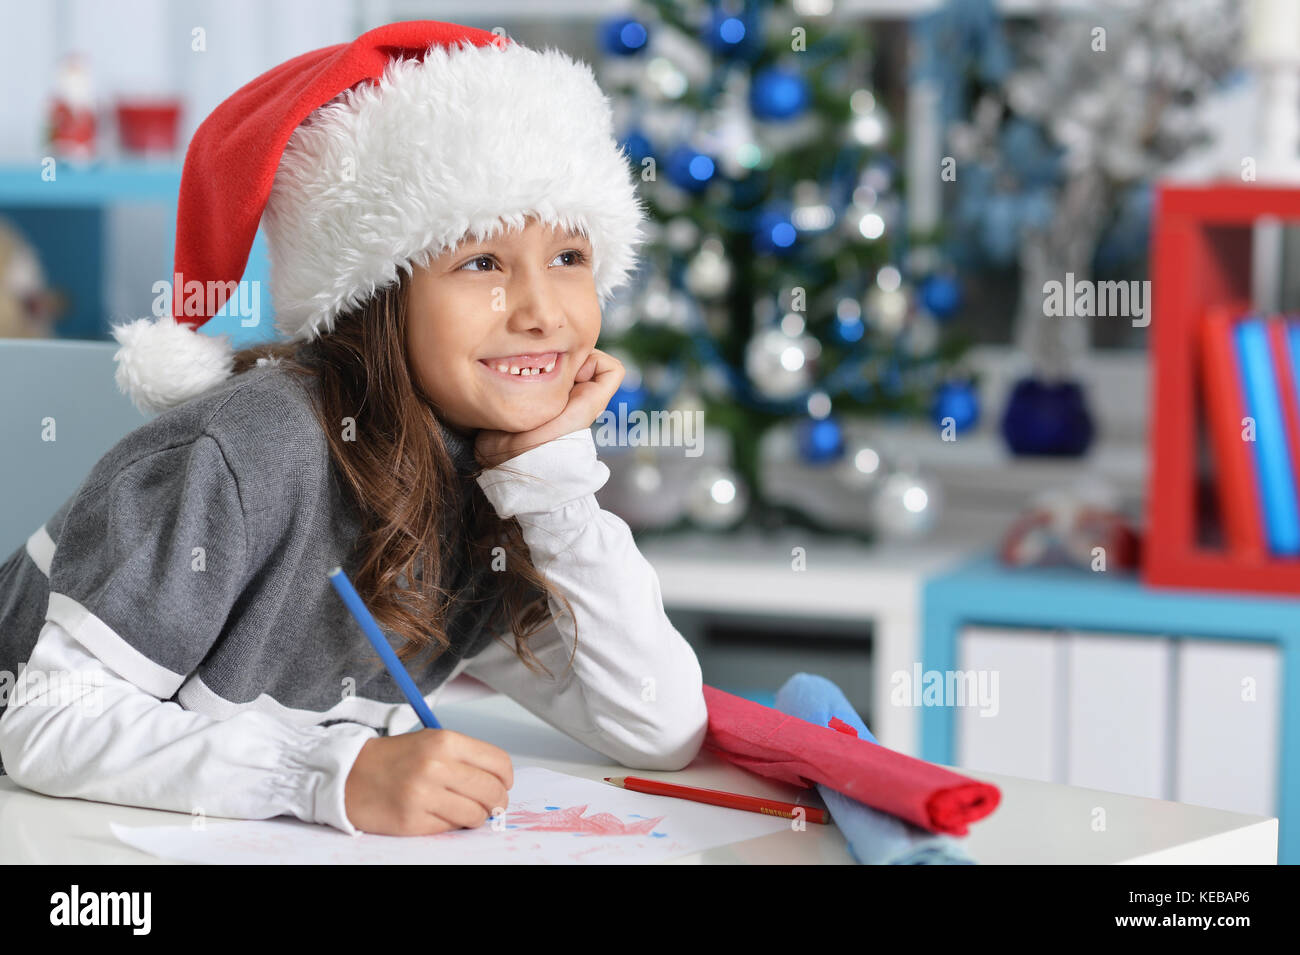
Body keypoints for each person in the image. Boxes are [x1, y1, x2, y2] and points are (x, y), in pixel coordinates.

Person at [0, 20, 708, 838]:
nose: (543, 312)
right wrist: (326, 774)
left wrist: (555, 483)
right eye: (480, 262)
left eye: (570, 257)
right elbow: (46, 719)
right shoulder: (254, 449)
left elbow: (658, 725)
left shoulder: (490, 472)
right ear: (377, 292)